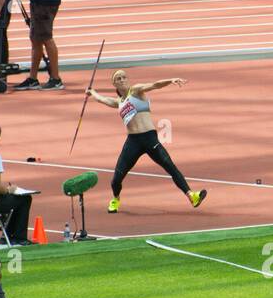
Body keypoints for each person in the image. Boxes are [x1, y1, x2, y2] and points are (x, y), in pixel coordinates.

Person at [84, 70, 207, 212]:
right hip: (133, 141)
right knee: (116, 178)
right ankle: (116, 199)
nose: (122, 79)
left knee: (170, 166)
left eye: (124, 77)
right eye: (119, 78)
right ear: (114, 83)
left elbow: (154, 85)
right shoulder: (119, 102)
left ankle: (192, 196)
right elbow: (102, 99)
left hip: (149, 138)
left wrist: (170, 80)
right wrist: (91, 92)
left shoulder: (135, 91)